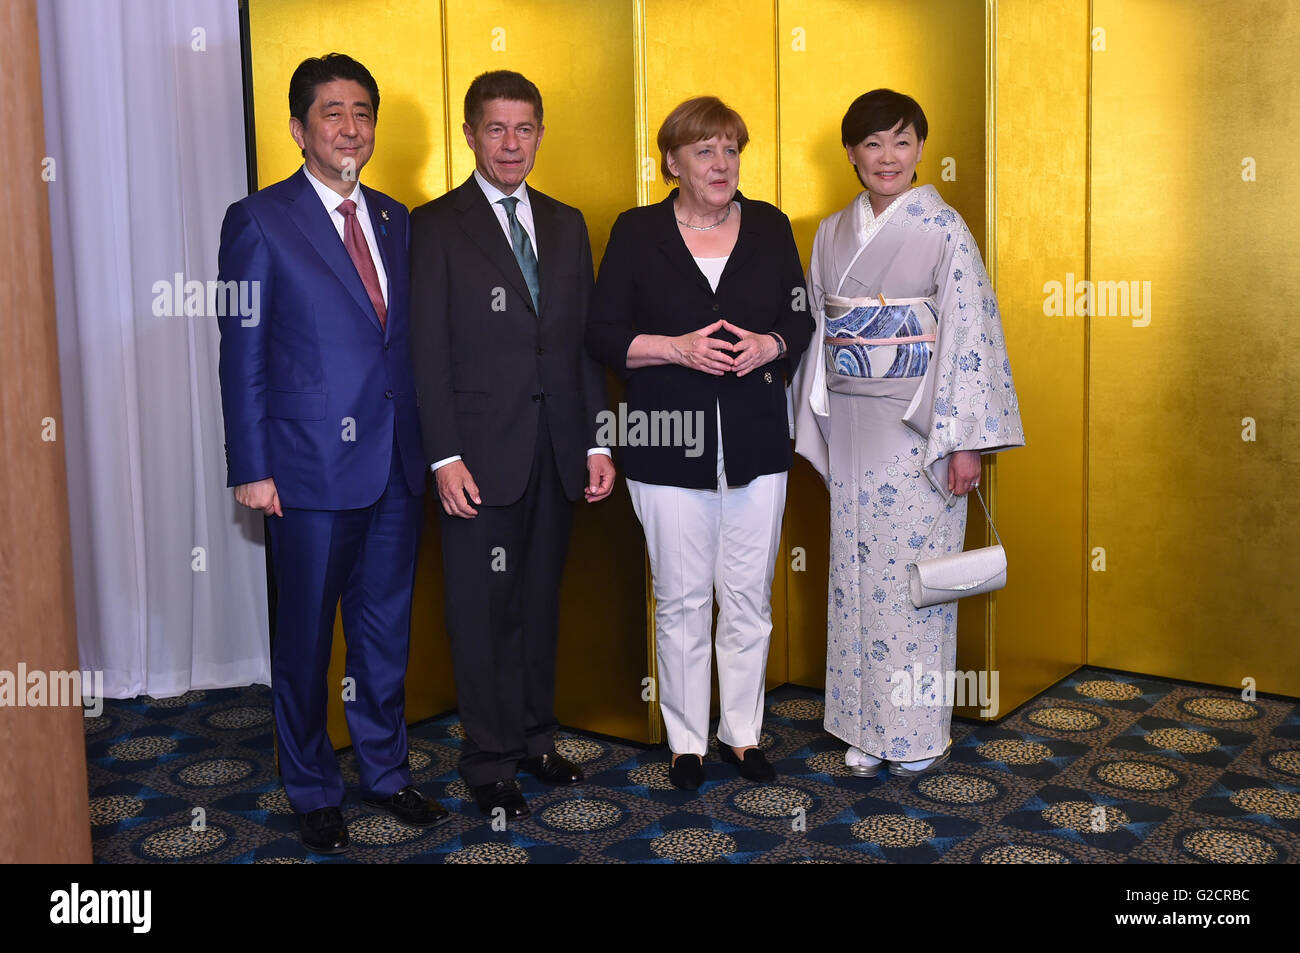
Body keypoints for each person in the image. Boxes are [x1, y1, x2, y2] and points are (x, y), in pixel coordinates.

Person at [216, 53, 449, 854]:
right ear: (298, 129)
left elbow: (402, 343)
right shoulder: (258, 219)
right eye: (332, 114)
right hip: (305, 468)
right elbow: (239, 352)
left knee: (384, 629)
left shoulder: (394, 217)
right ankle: (312, 783)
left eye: (362, 113)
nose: (350, 127)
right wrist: (251, 464)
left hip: (394, 462)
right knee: (307, 636)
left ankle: (386, 771)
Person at [793, 89, 1025, 779]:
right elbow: (818, 331)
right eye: (871, 143)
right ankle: (864, 723)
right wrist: (816, 420)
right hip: (854, 425)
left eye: (900, 141)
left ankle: (919, 728)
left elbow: (970, 335)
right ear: (851, 154)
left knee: (915, 585)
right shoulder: (832, 231)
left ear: (922, 149)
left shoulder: (944, 229)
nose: (886, 157)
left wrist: (963, 442)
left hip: (920, 429)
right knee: (855, 579)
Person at [587, 96, 811, 791]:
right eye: (704, 150)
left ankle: (741, 732)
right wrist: (676, 348)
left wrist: (771, 344)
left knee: (746, 595)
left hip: (755, 441)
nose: (721, 163)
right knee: (681, 597)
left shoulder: (770, 225)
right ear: (672, 162)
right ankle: (686, 739)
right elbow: (602, 333)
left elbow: (800, 318)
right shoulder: (635, 231)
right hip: (663, 444)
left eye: (730, 149)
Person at [408, 71, 615, 820]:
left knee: (537, 604)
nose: (510, 143)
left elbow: (583, 350)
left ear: (539, 133)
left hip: (556, 450)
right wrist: (442, 455)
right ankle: (489, 758)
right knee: (479, 609)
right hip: (476, 459)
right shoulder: (432, 226)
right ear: (468, 134)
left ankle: (534, 737)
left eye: (524, 128)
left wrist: (597, 440)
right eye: (495, 128)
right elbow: (424, 354)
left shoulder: (566, 223)